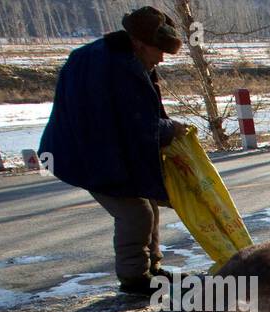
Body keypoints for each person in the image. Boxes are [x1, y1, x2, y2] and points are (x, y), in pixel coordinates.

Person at [39, 7, 186, 296]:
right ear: (141, 43)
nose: (161, 59)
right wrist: (168, 129)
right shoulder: (109, 68)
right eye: (159, 51)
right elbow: (129, 123)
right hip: (88, 155)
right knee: (136, 214)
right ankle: (135, 278)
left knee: (148, 206)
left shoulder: (124, 60)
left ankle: (151, 269)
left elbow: (133, 120)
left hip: (103, 151)